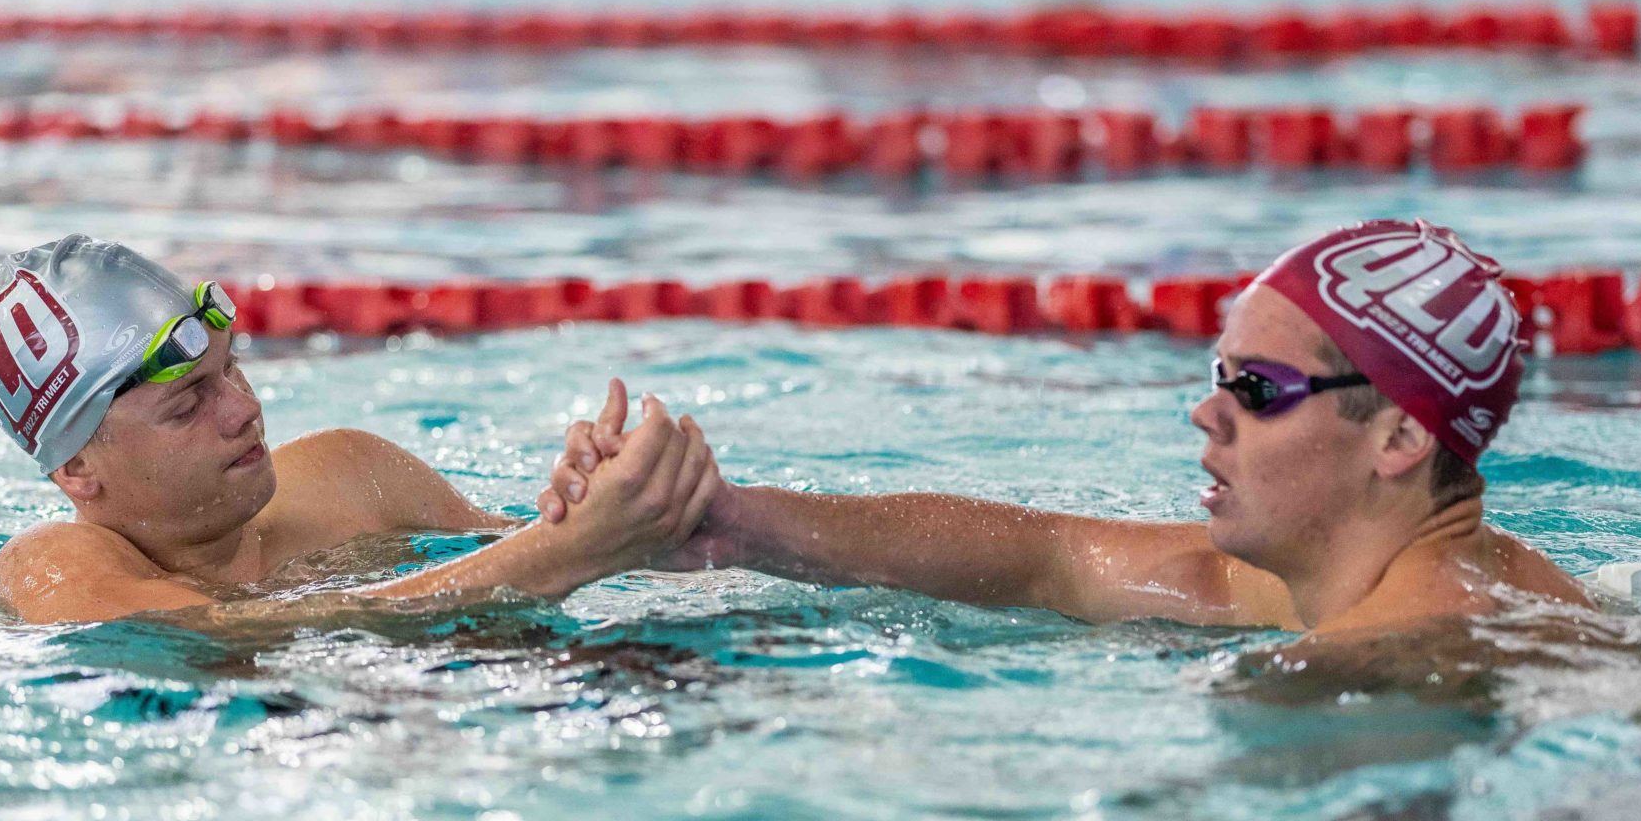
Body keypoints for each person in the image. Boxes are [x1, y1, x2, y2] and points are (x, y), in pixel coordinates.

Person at [538, 220, 1585, 639]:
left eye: (1256, 389)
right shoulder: (1322, 580)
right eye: (1216, 375)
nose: (1205, 411)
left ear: (1398, 439)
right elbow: (1050, 559)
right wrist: (724, 525)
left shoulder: (1401, 657)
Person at [0, 235, 719, 626]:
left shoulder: (351, 475)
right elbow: (240, 638)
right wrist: (566, 552)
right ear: (76, 471)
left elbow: (526, 560)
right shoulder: (53, 571)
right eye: (187, 404)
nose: (242, 409)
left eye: (233, 370)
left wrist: (604, 508)